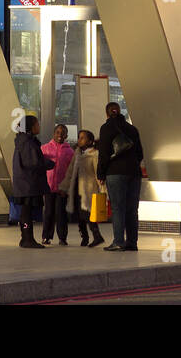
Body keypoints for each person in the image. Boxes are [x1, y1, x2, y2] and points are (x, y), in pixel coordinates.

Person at [95, 102, 143, 252]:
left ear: (107, 113)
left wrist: (100, 173)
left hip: (115, 172)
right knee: (132, 209)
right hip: (134, 172)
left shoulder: (106, 128)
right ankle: (132, 243)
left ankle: (118, 242)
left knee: (118, 208)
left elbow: (103, 153)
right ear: (119, 111)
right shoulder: (132, 129)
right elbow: (140, 153)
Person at [12, 115, 52, 249]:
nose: (39, 126)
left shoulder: (23, 141)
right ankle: (27, 238)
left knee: (26, 211)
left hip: (25, 182)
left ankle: (26, 237)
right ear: (31, 127)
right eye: (37, 124)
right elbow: (32, 162)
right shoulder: (27, 143)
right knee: (27, 212)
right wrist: (48, 163)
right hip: (28, 183)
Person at [60, 130, 105, 247]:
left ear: (89, 141)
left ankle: (97, 235)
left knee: (87, 213)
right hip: (76, 189)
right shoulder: (77, 154)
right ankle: (85, 237)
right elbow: (70, 172)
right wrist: (64, 186)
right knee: (79, 214)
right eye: (79, 137)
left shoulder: (94, 154)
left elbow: (98, 173)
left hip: (88, 190)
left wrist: (103, 190)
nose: (79, 140)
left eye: (82, 138)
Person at [40, 123, 74, 246]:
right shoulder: (44, 148)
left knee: (61, 213)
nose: (60, 135)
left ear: (66, 135)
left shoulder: (69, 152)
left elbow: (71, 171)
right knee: (48, 212)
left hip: (61, 188)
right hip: (48, 187)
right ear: (54, 134)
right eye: (58, 132)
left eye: (63, 133)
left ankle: (62, 237)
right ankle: (46, 236)